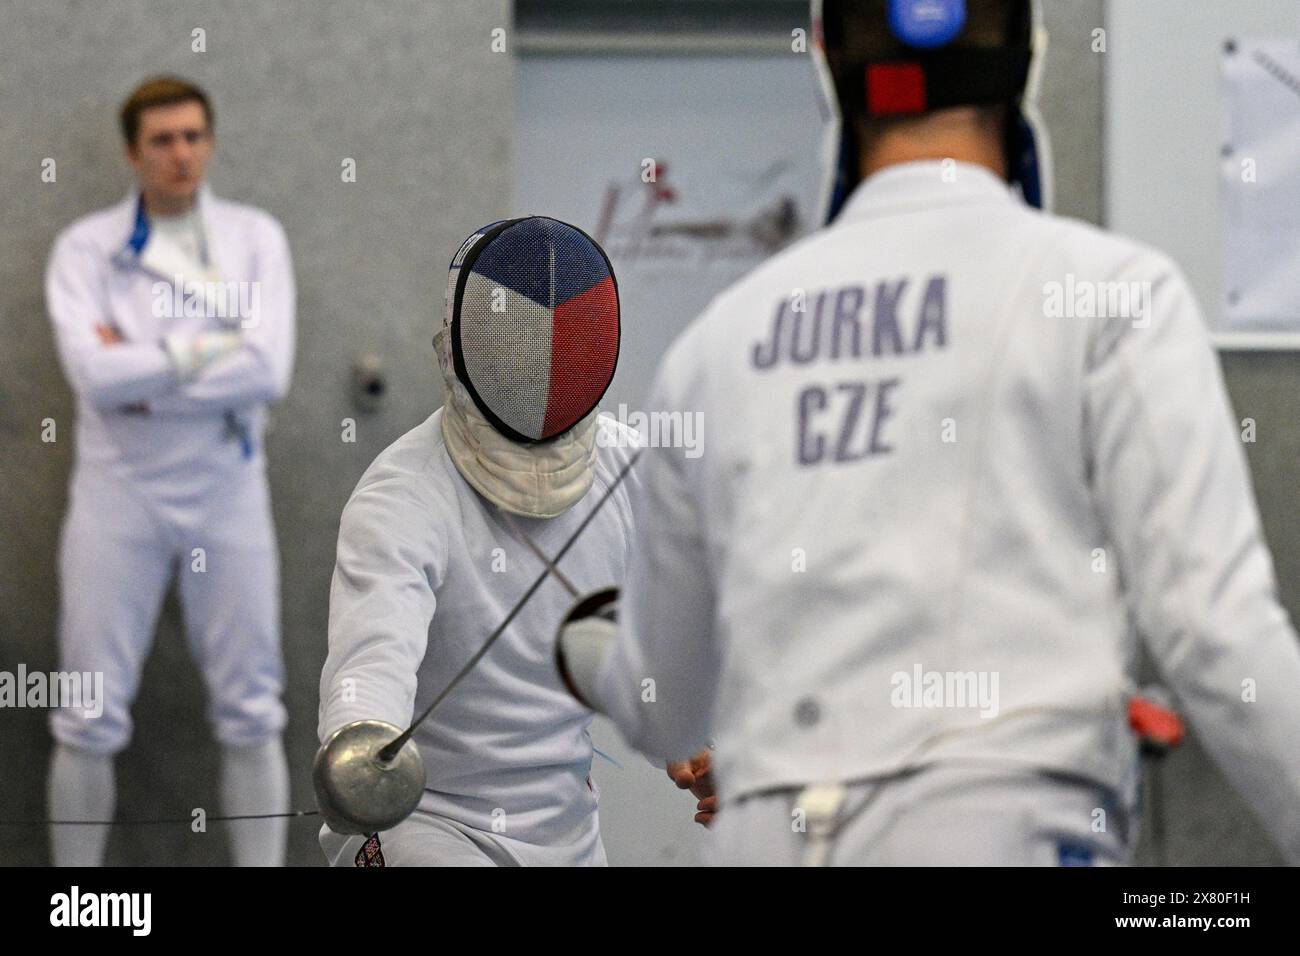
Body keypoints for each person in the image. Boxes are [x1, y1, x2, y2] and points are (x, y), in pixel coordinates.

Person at [556, 0, 1300, 865]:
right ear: (1029, 59)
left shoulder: (720, 344)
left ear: (831, 64)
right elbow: (1216, 637)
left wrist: (590, 651)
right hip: (1007, 828)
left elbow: (664, 706)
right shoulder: (1114, 297)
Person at [318, 217, 697, 867]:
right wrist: (362, 745)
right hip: (422, 823)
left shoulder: (632, 474)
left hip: (568, 828)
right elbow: (371, 660)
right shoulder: (402, 497)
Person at [45, 76, 295, 866]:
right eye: (162, 140)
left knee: (254, 709)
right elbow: (94, 378)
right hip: (118, 496)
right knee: (85, 712)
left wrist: (147, 377)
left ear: (211, 142)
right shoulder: (86, 249)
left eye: (193, 136)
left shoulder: (257, 238)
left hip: (228, 491)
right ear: (132, 152)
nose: (180, 153)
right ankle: (75, 904)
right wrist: (204, 353)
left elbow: (267, 372)